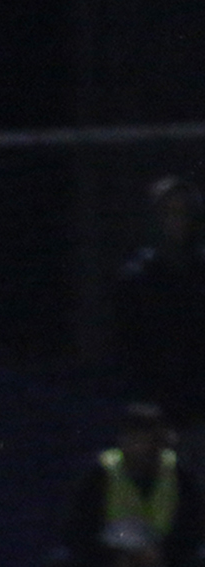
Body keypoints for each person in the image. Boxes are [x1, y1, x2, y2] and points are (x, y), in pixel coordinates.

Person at [53, 402, 205, 567]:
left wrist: (161, 554)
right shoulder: (101, 473)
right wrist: (113, 558)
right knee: (64, 566)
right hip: (112, 562)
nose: (145, 445)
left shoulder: (178, 474)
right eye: (137, 436)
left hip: (163, 562)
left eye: (153, 436)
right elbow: (76, 529)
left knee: (199, 566)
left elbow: (194, 527)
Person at [113, 176, 205, 460]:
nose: (177, 222)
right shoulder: (138, 279)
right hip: (156, 413)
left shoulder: (200, 273)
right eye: (168, 213)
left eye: (183, 213)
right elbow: (130, 348)